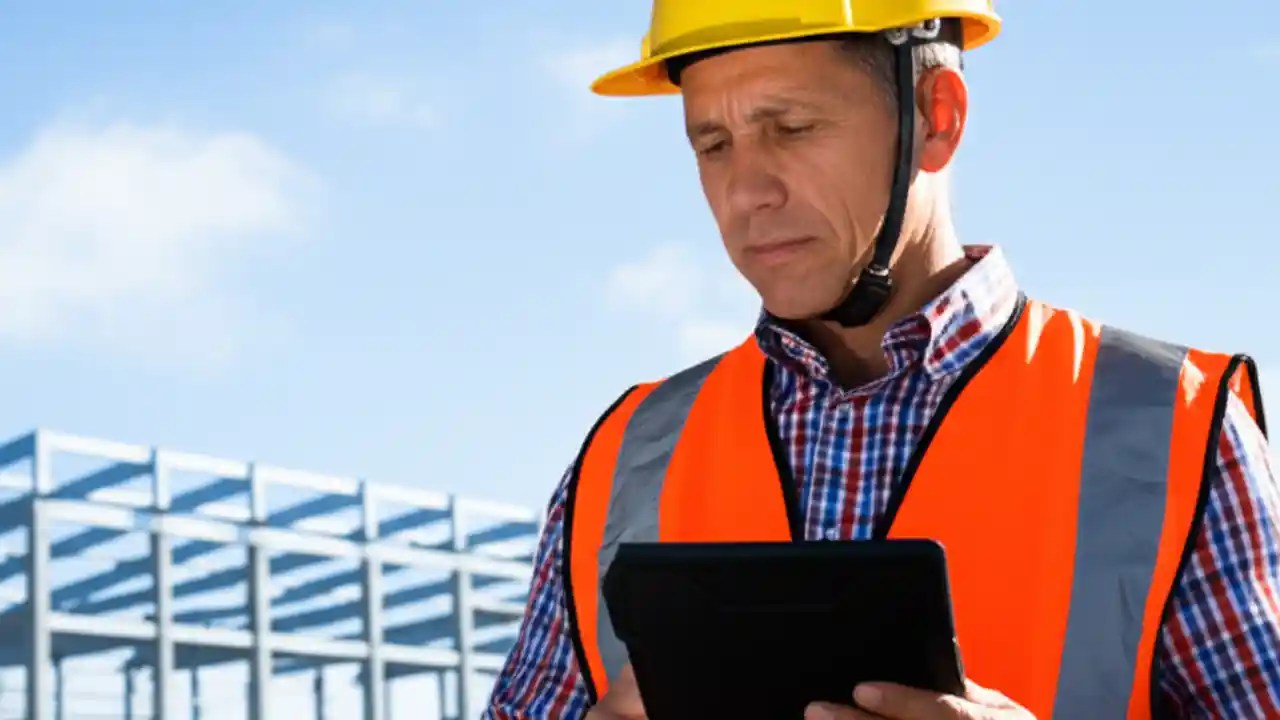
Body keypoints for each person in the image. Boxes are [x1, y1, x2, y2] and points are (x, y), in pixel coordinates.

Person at [483, 2, 1279, 718]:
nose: (745, 191)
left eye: (791, 128)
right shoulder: (626, 457)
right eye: (713, 144)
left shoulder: (1171, 428)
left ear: (936, 118)